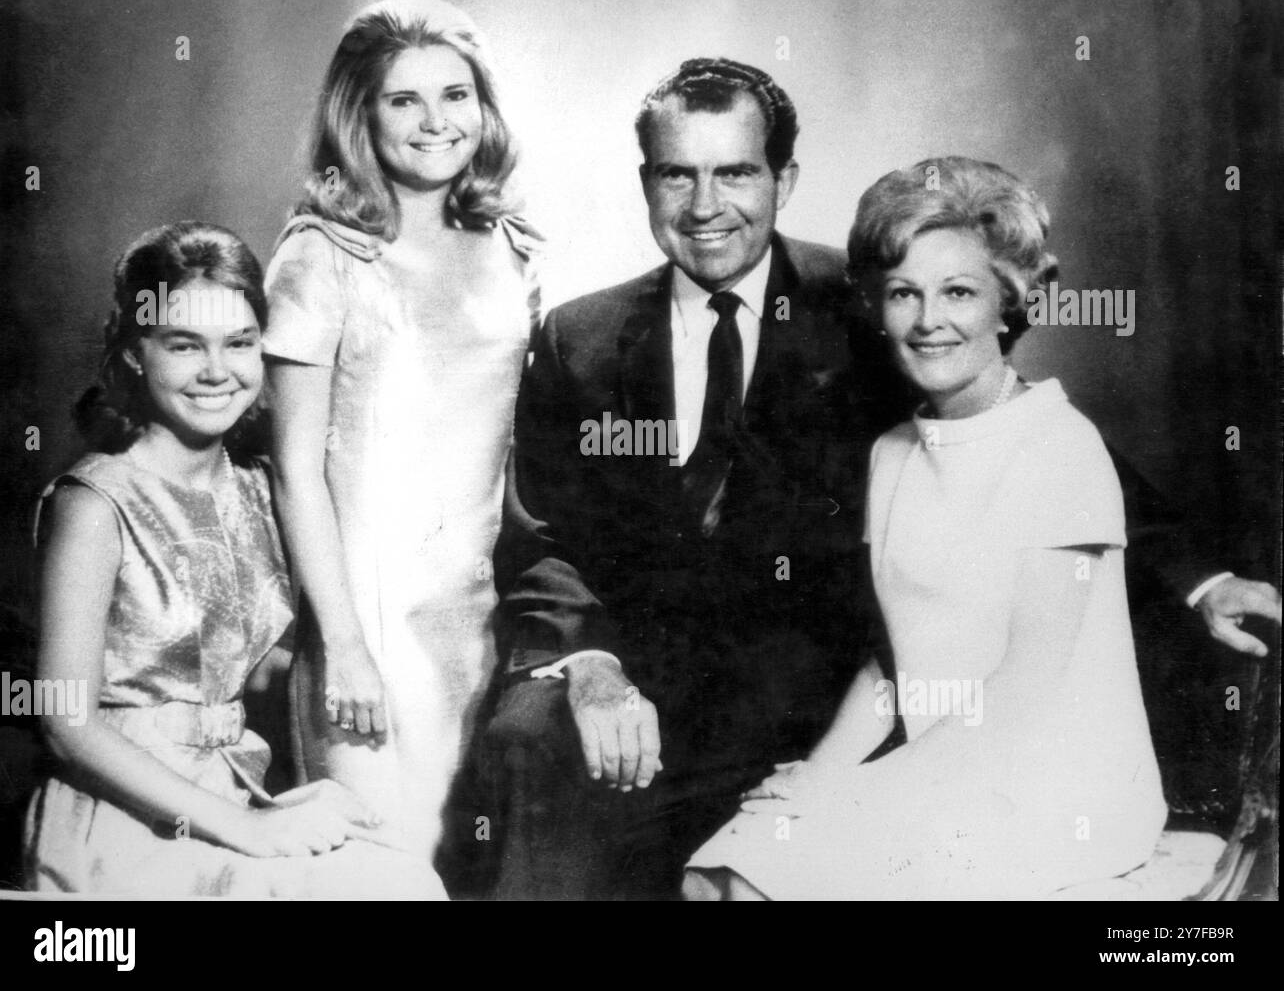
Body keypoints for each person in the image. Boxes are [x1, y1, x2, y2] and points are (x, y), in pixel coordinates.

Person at [482, 61, 1280, 901]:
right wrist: (593, 666)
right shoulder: (581, 335)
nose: (706, 205)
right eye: (678, 173)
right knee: (530, 742)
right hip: (644, 680)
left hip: (805, 686)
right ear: (646, 182)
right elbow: (541, 532)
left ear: (784, 179)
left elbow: (1032, 455)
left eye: (737, 172)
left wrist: (1202, 578)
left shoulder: (862, 303)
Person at [682, 158, 1175, 898]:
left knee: (767, 884)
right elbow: (891, 667)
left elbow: (1023, 694)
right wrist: (821, 775)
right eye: (904, 294)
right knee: (718, 871)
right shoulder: (892, 452)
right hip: (938, 766)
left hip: (1057, 790)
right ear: (878, 309)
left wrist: (855, 795)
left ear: (1009, 303)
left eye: (959, 292)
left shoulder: (1061, 448)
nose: (928, 320)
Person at [24, 221, 424, 896]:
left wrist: (281, 806)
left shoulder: (264, 491)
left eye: (240, 343)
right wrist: (250, 830)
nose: (218, 371)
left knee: (400, 875)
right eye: (185, 345)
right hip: (119, 825)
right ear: (133, 352)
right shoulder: (94, 503)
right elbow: (66, 725)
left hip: (231, 796)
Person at [262, 0, 540, 892]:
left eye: (455, 95)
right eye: (402, 100)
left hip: (483, 622)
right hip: (371, 628)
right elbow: (294, 467)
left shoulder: (514, 248)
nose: (434, 122)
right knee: (383, 880)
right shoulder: (319, 254)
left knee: (477, 873)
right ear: (360, 113)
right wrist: (342, 642)